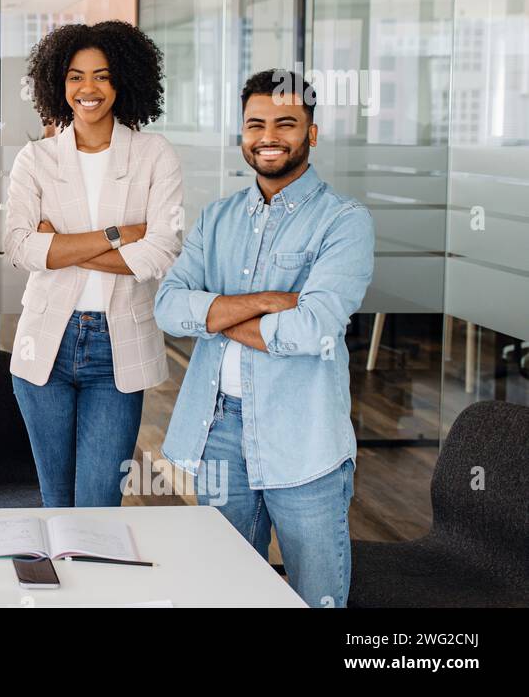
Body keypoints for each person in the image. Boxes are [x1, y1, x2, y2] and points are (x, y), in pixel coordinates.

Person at [155, 68, 374, 608]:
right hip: (219, 426)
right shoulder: (218, 217)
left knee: (316, 593)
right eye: (255, 124)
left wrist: (215, 314)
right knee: (226, 590)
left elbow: (313, 327)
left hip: (303, 430)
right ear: (241, 134)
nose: (268, 135)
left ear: (311, 134)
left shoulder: (344, 221)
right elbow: (167, 308)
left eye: (286, 123)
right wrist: (265, 302)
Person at [5, 21, 183, 507]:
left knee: (99, 504)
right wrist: (117, 237)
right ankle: (55, 584)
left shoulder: (154, 155)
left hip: (117, 346)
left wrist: (62, 247)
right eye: (76, 76)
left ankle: (92, 581)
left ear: (123, 81)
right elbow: (21, 250)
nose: (89, 89)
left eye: (102, 76)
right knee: (54, 499)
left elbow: (160, 251)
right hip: (47, 344)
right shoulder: (35, 159)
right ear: (58, 85)